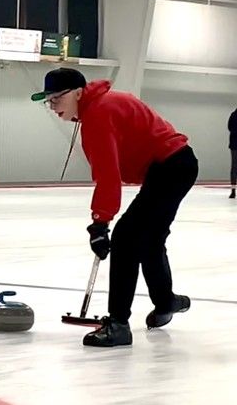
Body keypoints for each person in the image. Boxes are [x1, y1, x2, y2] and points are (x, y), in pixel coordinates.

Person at [32, 68, 198, 348]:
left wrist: (100, 223)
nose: (53, 107)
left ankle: (119, 323)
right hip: (175, 165)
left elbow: (108, 174)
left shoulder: (98, 114)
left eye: (56, 99)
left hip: (170, 166)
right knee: (149, 239)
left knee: (126, 237)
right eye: (47, 101)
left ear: (78, 93)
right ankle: (166, 301)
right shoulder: (103, 104)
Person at [228, 106, 236, 199]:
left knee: (234, 168)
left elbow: (230, 128)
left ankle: (233, 191)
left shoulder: (233, 115)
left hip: (234, 145)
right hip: (234, 144)